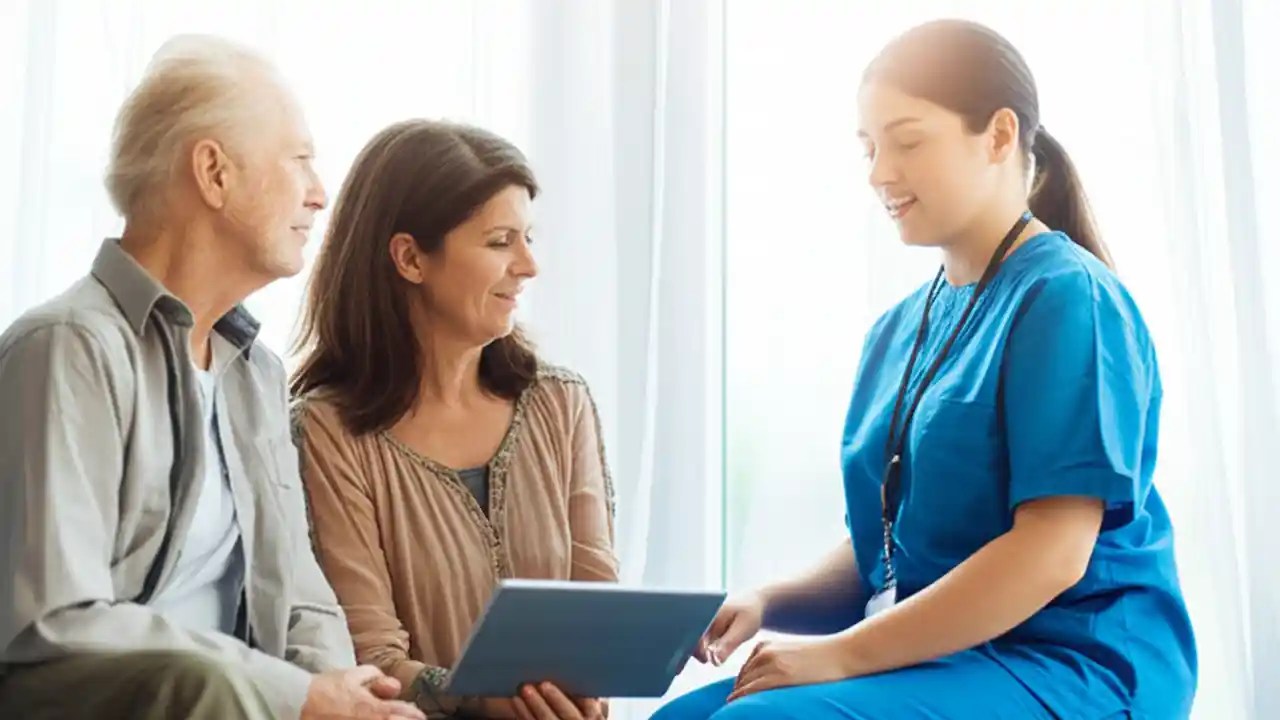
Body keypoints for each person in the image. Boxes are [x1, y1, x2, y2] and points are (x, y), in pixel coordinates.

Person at [653, 19, 1196, 720]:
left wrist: (843, 653)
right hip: (948, 656)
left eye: (907, 142)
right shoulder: (898, 329)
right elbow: (889, 543)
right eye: (869, 148)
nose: (880, 172)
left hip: (1073, 662)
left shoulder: (1069, 299)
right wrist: (767, 603)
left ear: (1000, 136)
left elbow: (1053, 553)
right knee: (679, 718)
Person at [0, 35, 424, 720]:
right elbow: (56, 620)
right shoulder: (69, 348)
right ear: (214, 173)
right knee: (215, 687)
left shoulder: (256, 373)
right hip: (129, 701)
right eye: (301, 161)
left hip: (239, 701)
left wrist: (347, 697)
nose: (320, 195)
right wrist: (294, 696)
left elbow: (303, 598)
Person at [290, 119, 619, 720]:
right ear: (410, 258)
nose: (528, 266)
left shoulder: (561, 403)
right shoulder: (327, 433)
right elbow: (370, 660)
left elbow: (598, 608)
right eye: (499, 242)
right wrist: (480, 699)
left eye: (528, 238)